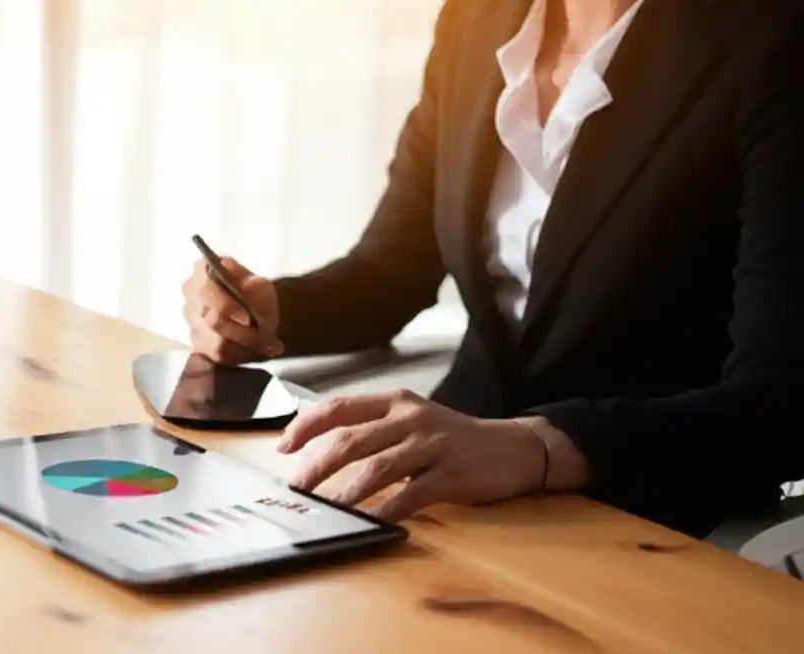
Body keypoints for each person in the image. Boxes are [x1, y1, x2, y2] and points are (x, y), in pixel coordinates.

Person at [180, 0, 804, 537]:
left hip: (646, 514)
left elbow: (780, 401)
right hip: (443, 497)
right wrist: (262, 310)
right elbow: (390, 270)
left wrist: (535, 446)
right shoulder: (476, 21)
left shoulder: (772, 40)